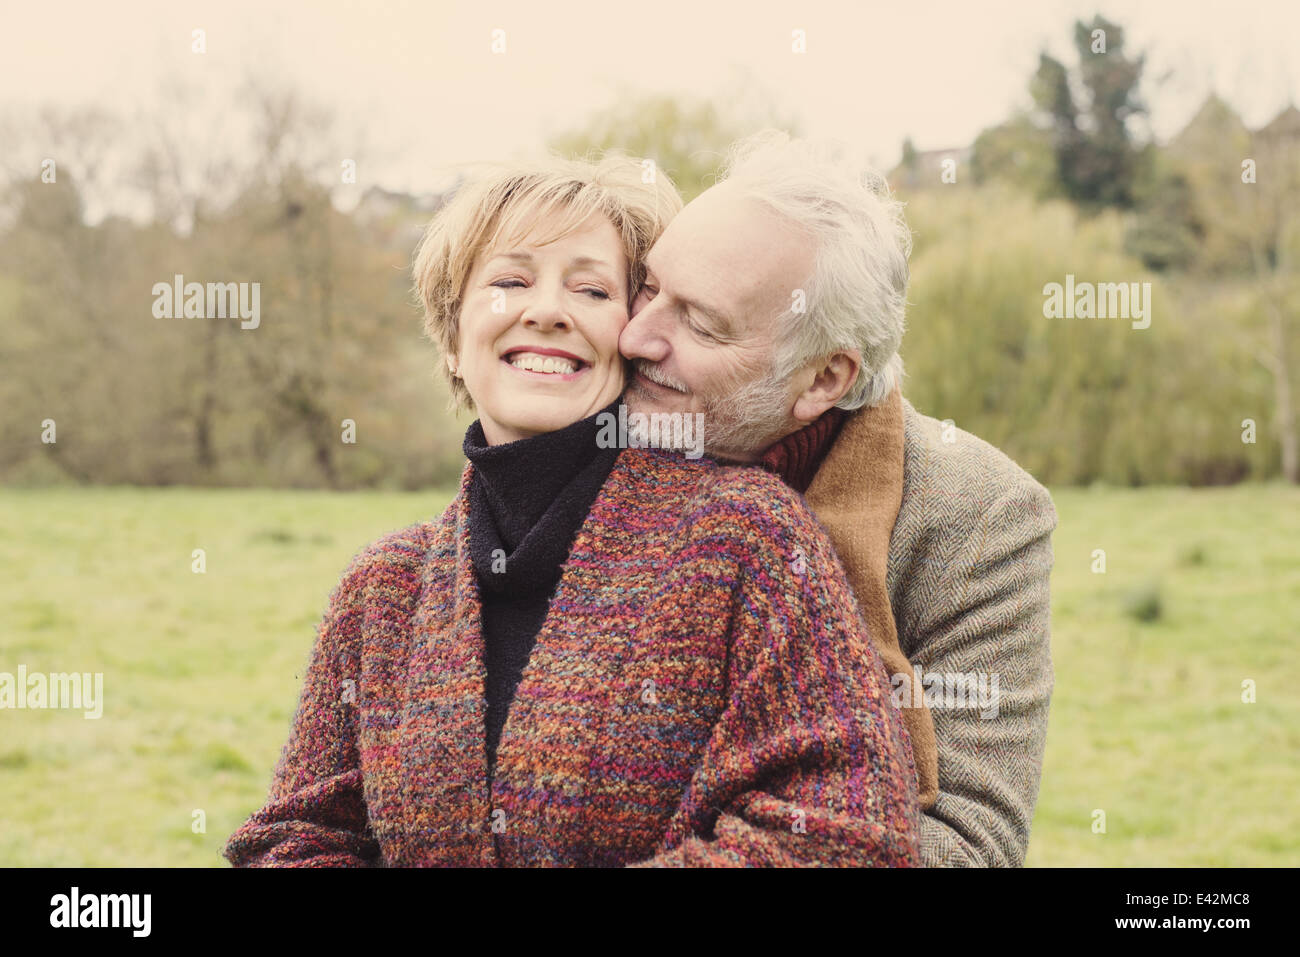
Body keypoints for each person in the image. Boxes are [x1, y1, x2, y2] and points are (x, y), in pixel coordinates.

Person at [221, 151, 921, 867]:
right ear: (453, 334)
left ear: (631, 336)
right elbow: (292, 839)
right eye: (510, 280)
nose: (547, 310)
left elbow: (848, 839)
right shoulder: (383, 587)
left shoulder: (743, 538)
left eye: (591, 290)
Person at [618, 130, 1058, 867]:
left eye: (699, 322)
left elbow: (969, 843)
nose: (636, 335)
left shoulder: (979, 516)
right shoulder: (595, 431)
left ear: (823, 378)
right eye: (650, 287)